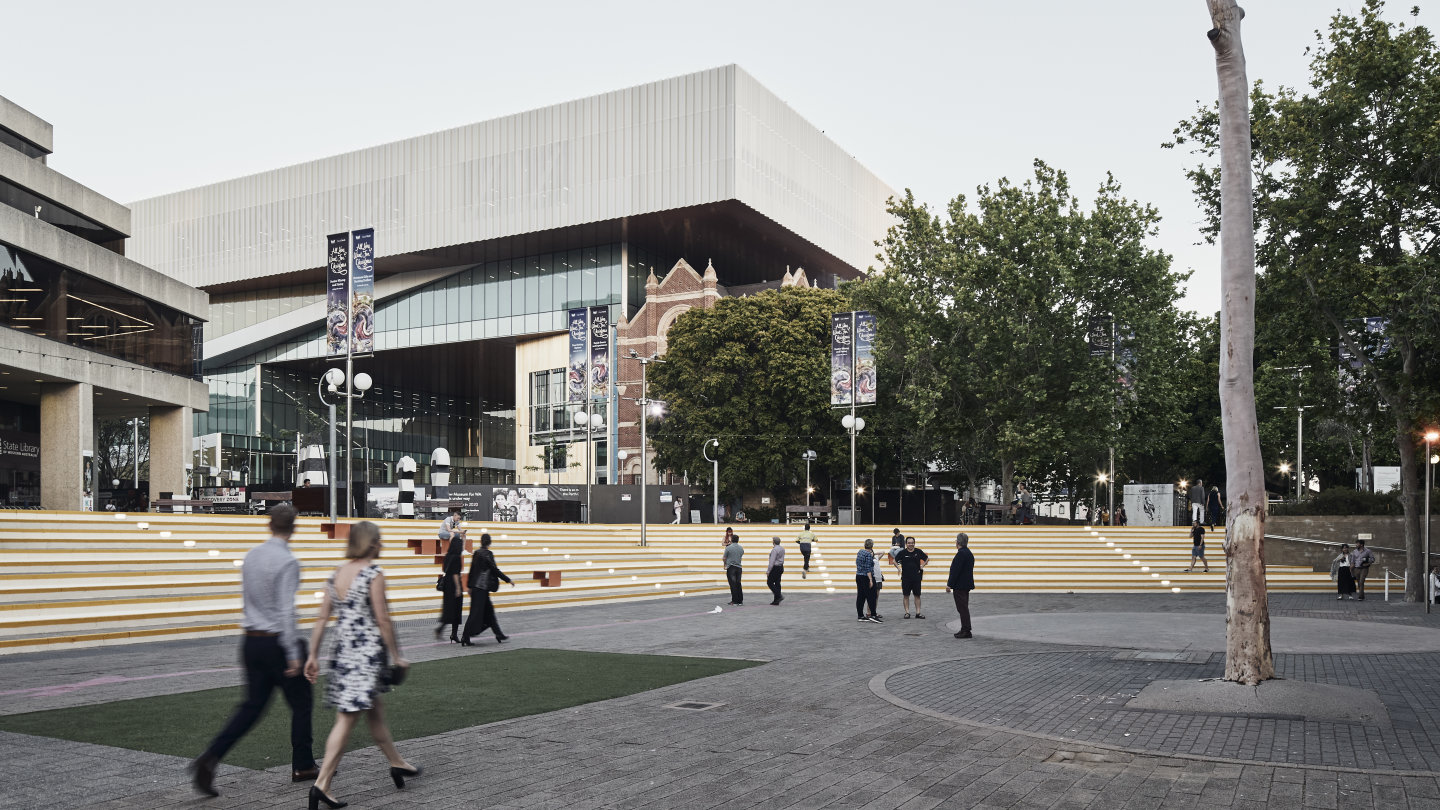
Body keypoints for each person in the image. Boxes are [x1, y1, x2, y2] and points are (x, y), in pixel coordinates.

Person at [190, 504, 317, 797]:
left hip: (251, 640)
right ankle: (303, 763)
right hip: (277, 642)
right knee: (301, 703)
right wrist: (294, 653)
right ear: (294, 527)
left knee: (251, 707)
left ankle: (211, 757)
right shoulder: (288, 562)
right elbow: (286, 611)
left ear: (269, 525)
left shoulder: (252, 556)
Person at [303, 521, 420, 808]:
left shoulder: (337, 574)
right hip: (366, 655)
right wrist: (396, 655)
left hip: (343, 653)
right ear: (370, 543)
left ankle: (397, 763)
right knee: (347, 718)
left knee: (374, 712)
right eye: (379, 540)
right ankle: (322, 784)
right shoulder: (373, 574)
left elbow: (321, 620)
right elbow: (383, 619)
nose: (381, 544)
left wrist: (313, 655)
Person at [460, 533, 513, 644]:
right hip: (482, 588)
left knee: (488, 612)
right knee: (476, 614)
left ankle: (499, 634)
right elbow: (495, 570)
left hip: (476, 588)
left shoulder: (477, 553)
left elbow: (472, 570)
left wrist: (469, 586)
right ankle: (465, 636)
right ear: (489, 542)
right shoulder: (488, 554)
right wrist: (508, 580)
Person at [435, 535, 465, 642]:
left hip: (447, 585)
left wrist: (463, 537)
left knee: (448, 609)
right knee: (456, 609)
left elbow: (446, 570)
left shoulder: (448, 555)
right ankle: (454, 634)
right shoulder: (456, 557)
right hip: (454, 584)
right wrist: (458, 588)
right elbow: (455, 574)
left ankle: (440, 629)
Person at [946, 533, 974, 638]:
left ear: (958, 542)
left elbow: (955, 571)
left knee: (962, 608)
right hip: (965, 584)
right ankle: (965, 628)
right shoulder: (968, 553)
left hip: (960, 585)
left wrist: (949, 584)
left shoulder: (961, 554)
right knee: (963, 607)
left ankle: (966, 630)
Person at [894, 536, 929, 619]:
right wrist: (898, 568)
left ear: (914, 543)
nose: (911, 544)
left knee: (917, 595)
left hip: (917, 577)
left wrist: (922, 565)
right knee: (906, 595)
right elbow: (894, 561)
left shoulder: (918, 551)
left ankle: (918, 613)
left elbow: (927, 558)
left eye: (912, 543)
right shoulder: (903, 552)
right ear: (906, 544)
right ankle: (907, 612)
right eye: (909, 543)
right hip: (906, 578)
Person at [855, 539, 880, 623]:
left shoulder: (860, 552)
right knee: (872, 596)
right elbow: (868, 568)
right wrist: (870, 580)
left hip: (858, 575)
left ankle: (860, 615)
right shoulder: (869, 555)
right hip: (866, 576)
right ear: (872, 546)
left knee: (861, 596)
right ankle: (873, 614)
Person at [723, 528, 744, 605]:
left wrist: (725, 564)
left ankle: (734, 600)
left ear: (732, 539)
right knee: (738, 583)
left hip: (731, 567)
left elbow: (724, 558)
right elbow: (741, 555)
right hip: (739, 567)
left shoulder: (728, 548)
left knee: (733, 584)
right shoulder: (741, 548)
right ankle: (740, 600)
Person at [766, 537, 785, 605]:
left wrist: (768, 571)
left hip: (775, 567)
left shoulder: (774, 550)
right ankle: (776, 600)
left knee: (769, 582)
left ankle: (779, 595)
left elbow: (772, 561)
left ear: (773, 542)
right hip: (780, 566)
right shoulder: (782, 549)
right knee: (777, 583)